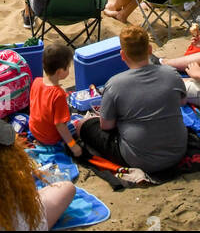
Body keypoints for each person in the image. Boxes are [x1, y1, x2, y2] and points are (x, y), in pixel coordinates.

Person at [75, 25, 187, 174]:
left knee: (82, 125)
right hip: (177, 150)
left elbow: (106, 126)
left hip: (137, 158)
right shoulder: (171, 73)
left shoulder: (115, 84)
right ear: (150, 50)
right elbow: (182, 101)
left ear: (122, 55)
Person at [29, 43, 82, 158]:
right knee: (79, 122)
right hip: (50, 139)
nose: (69, 70)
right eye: (68, 68)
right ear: (59, 72)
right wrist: (73, 145)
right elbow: (61, 126)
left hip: (34, 130)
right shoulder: (59, 95)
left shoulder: (36, 81)